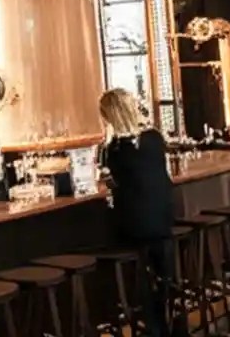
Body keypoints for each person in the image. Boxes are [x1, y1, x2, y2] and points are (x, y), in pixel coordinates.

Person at [99, 88, 185, 337]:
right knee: (161, 271)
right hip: (164, 218)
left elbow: (116, 185)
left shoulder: (113, 149)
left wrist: (109, 180)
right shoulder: (155, 138)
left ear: (109, 116)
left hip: (135, 226)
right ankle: (167, 317)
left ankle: (145, 321)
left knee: (133, 264)